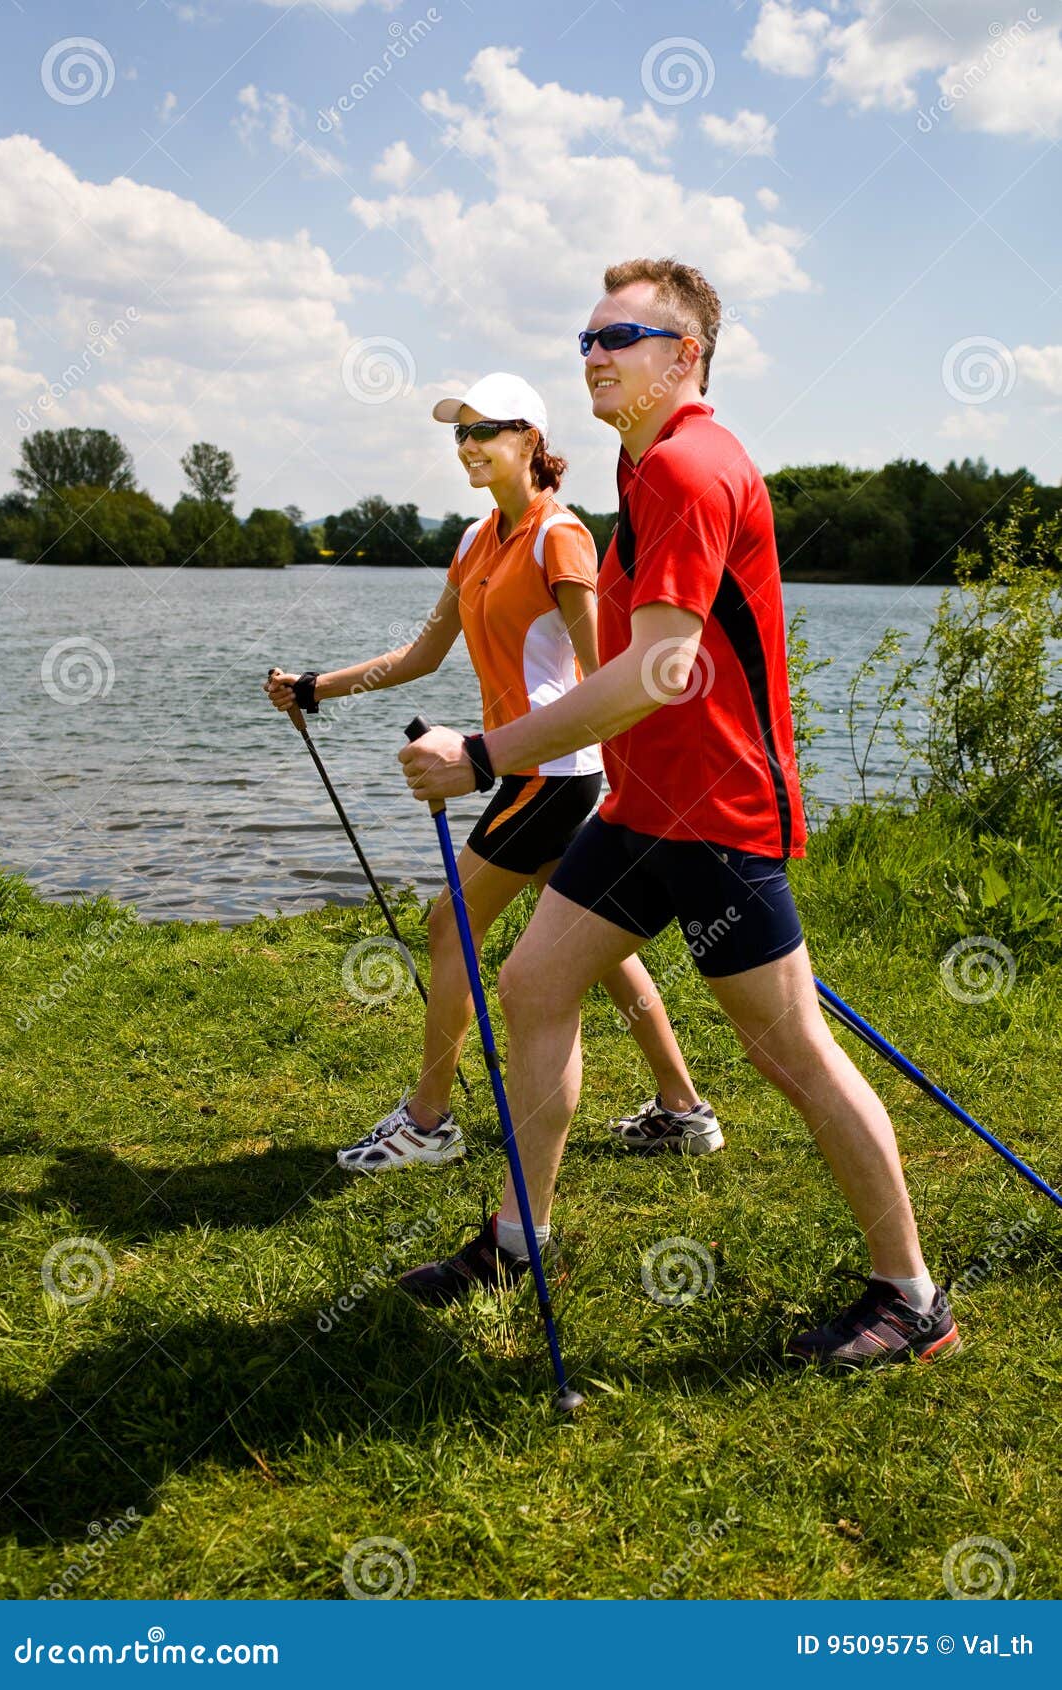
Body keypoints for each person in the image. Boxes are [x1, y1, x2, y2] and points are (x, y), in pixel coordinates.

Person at [396, 262, 961, 1369]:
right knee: (532, 982)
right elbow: (634, 667)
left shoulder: (691, 468)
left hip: (715, 821)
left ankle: (911, 1301)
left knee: (791, 1052)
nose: (593, 354)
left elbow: (655, 671)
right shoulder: (639, 462)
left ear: (683, 355)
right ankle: (517, 1241)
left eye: (620, 335)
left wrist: (483, 753)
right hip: (643, 808)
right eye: (586, 337)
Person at [266, 370, 720, 1178]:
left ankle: (428, 1121)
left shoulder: (561, 537)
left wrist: (627, 769)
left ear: (531, 442)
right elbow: (422, 656)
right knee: (596, 942)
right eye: (459, 434)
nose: (469, 446)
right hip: (525, 769)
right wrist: (316, 685)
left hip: (551, 772)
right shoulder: (478, 540)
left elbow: (604, 667)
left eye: (486, 430)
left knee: (449, 924)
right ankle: (683, 1110)